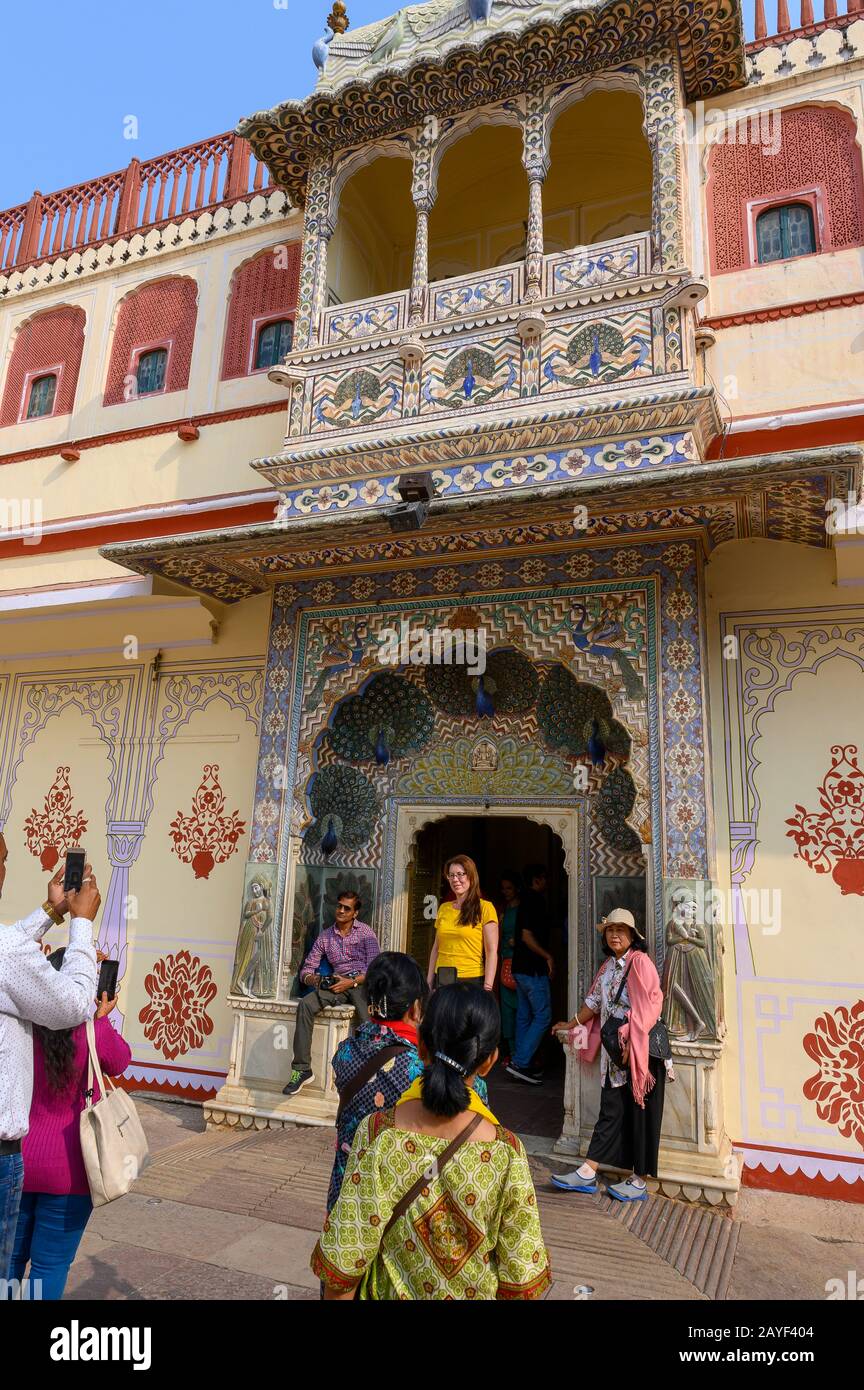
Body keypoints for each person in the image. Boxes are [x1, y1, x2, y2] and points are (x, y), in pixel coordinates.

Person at [312, 983, 551, 1300]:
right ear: (489, 1061)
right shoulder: (505, 1153)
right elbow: (521, 1279)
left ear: (421, 1044)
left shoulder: (378, 1136)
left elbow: (344, 1267)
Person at [0, 834, 100, 1281]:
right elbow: (76, 1004)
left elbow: (10, 951)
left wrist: (50, 913)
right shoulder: (7, 953)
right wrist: (81, 925)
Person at [6, 949, 132, 1299]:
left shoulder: (22, 1028)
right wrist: (101, 1018)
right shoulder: (91, 1032)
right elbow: (120, 1059)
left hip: (17, 1159)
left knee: (11, 1261)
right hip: (70, 1169)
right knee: (50, 1265)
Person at [327, 951, 489, 1212]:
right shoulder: (423, 1067)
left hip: (347, 1200)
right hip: (401, 1205)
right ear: (416, 1007)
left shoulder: (345, 1053)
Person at [550, 907, 667, 1202]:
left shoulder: (640, 963)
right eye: (611, 930)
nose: (615, 935)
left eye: (621, 930)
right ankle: (588, 1171)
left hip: (642, 1054)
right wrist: (573, 1022)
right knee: (611, 1108)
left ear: (632, 936)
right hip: (616, 1053)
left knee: (642, 1114)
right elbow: (595, 1002)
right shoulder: (608, 967)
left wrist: (633, 1036)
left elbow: (653, 1004)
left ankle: (639, 1180)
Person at [283, 891, 380, 1098]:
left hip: (361, 983)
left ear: (355, 913)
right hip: (336, 983)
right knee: (306, 1005)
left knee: (365, 1019)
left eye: (347, 908)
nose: (341, 911)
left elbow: (375, 968)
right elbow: (306, 970)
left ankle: (372, 1068)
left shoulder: (365, 933)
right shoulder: (326, 936)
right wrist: (317, 980)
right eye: (339, 906)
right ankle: (302, 1069)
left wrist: (351, 981)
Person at [506, 864, 554, 1086]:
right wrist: (547, 956)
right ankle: (520, 1061)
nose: (547, 883)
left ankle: (521, 1063)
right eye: (544, 878)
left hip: (520, 968)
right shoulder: (534, 901)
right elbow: (526, 936)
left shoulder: (523, 901)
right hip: (532, 970)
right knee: (543, 1016)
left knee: (525, 1015)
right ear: (537, 880)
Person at [426, 855, 498, 992]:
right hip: (443, 975)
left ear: (471, 876)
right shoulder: (444, 908)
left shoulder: (485, 908)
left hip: (470, 976)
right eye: (451, 875)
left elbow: (491, 951)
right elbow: (436, 948)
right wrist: (429, 981)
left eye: (460, 874)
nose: (455, 879)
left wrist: (487, 988)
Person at [496, 874, 520, 1065]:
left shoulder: (522, 910)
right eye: (503, 889)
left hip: (520, 964)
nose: (505, 892)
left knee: (522, 1009)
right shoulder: (502, 910)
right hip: (504, 963)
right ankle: (511, 1051)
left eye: (509, 888)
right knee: (507, 1010)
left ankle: (521, 1053)